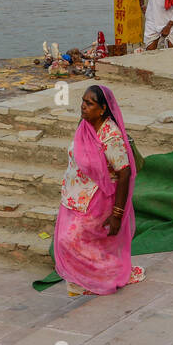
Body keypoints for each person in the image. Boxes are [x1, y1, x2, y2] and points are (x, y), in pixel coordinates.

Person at [53, 85, 145, 296]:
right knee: (83, 242)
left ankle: (106, 276)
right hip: (75, 195)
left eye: (89, 103)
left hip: (98, 198)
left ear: (103, 109)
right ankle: (86, 280)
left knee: (69, 239)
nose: (83, 107)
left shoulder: (110, 136)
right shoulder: (85, 126)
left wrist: (117, 214)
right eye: (83, 102)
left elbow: (124, 173)